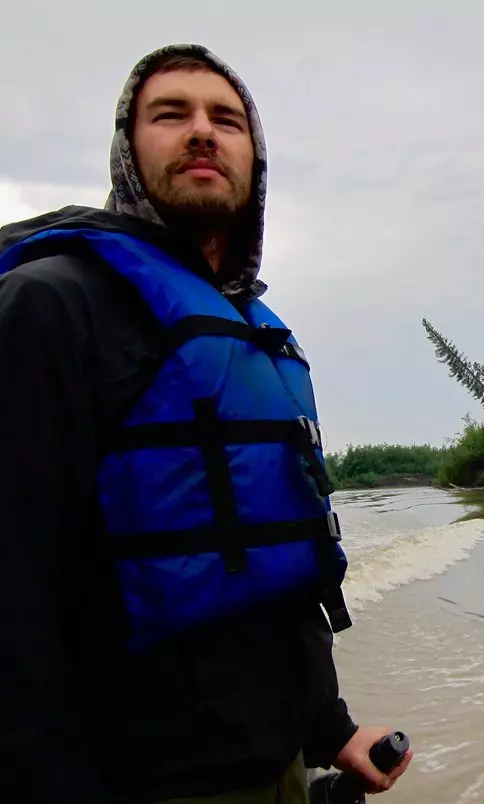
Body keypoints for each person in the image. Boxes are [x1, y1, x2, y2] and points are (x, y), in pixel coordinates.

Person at [0, 44, 411, 803]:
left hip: (277, 765)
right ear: (128, 148)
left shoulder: (253, 332)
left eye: (225, 118)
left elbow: (279, 574)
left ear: (254, 158)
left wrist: (329, 728)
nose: (201, 131)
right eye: (171, 114)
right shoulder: (49, 305)